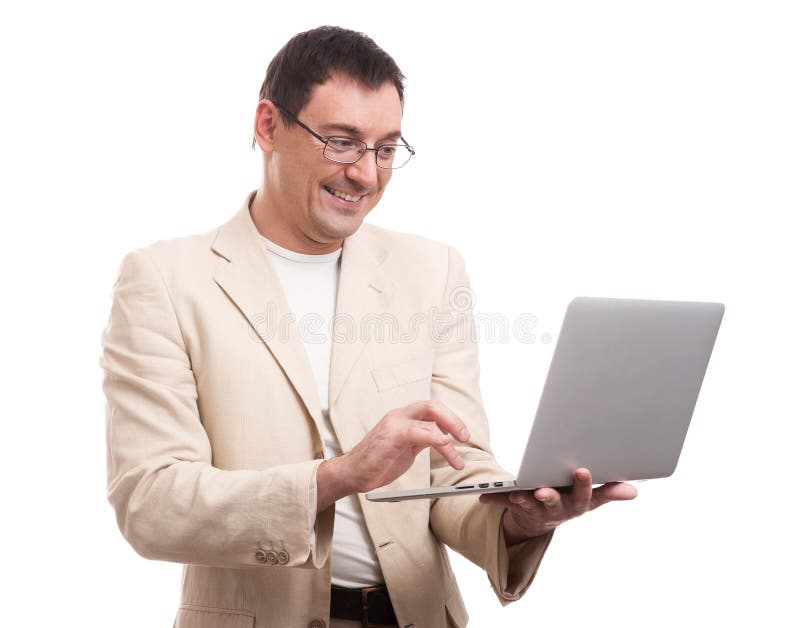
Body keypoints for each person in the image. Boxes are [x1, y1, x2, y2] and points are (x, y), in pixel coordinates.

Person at [100, 25, 637, 628]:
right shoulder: (166, 280)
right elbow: (151, 504)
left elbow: (453, 473)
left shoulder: (432, 271)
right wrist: (337, 477)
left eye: (386, 148)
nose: (366, 174)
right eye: (341, 141)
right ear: (268, 126)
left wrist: (517, 519)